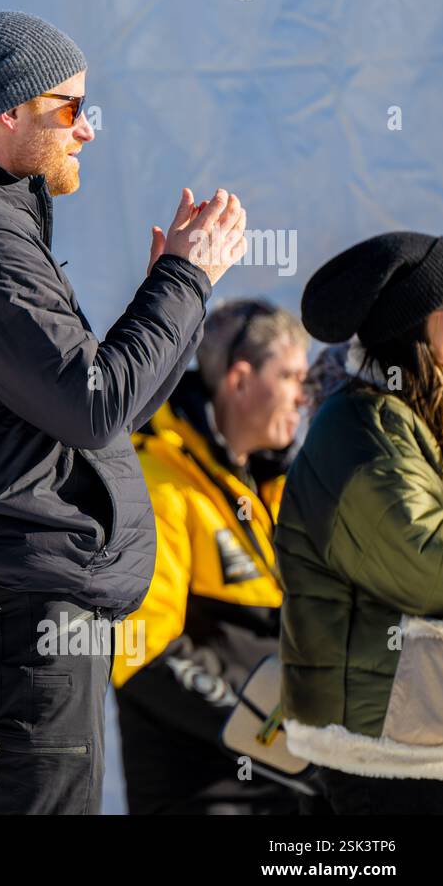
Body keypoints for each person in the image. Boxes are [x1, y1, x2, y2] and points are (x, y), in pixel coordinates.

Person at [0, 10, 247, 814]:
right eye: (72, 108)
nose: (88, 131)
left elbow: (107, 401)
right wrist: (182, 284)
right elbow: (94, 405)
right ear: (9, 110)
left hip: (34, 610)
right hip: (26, 613)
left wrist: (173, 298)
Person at [116, 300, 309, 814]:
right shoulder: (158, 480)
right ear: (241, 380)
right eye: (290, 376)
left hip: (278, 789)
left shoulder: (268, 485)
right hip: (202, 794)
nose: (303, 395)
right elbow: (138, 652)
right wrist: (273, 737)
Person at [276, 231, 443, 814]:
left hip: (412, 734)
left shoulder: (408, 417)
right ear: (418, 327)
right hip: (382, 753)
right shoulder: (363, 430)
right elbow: (428, 564)